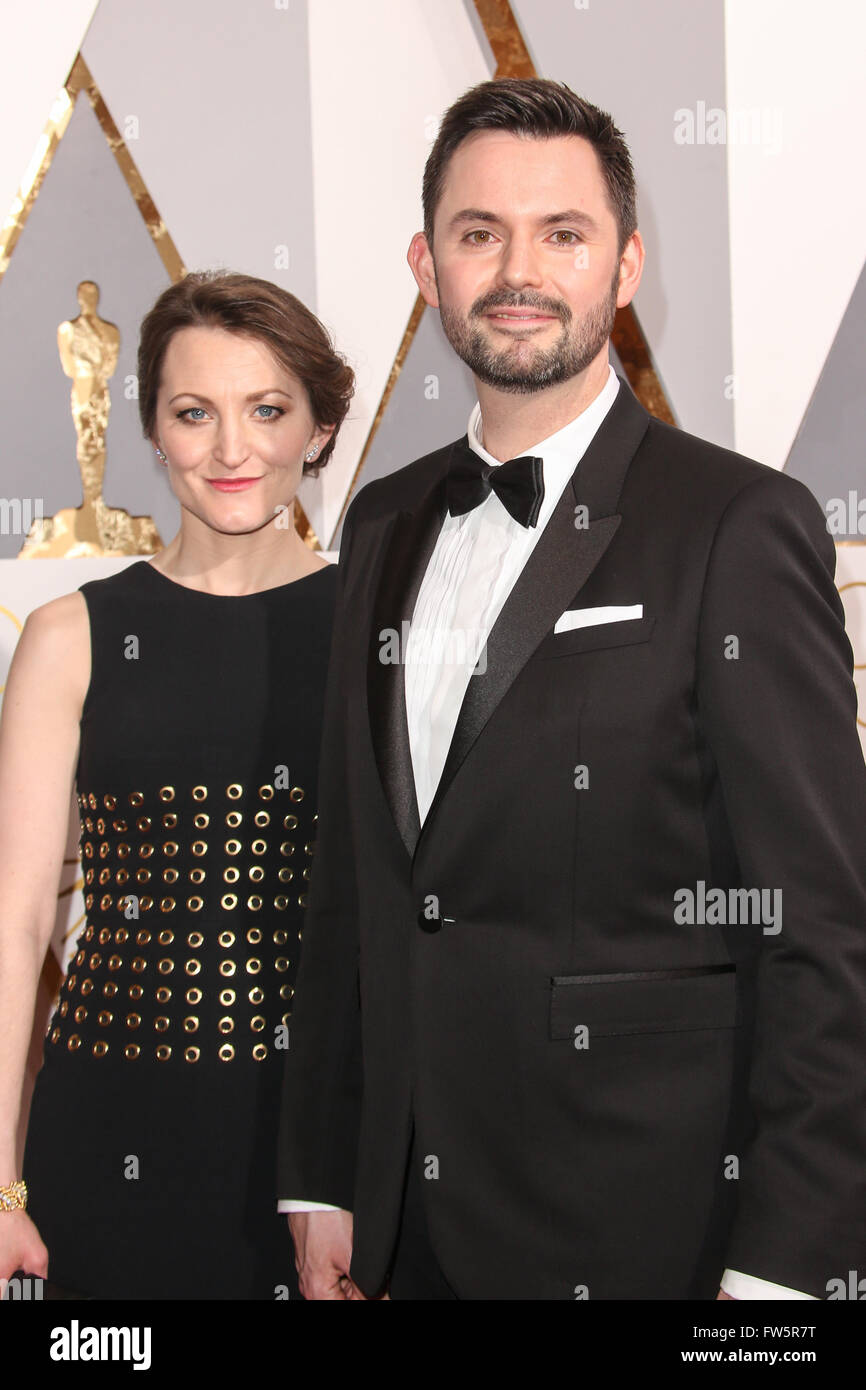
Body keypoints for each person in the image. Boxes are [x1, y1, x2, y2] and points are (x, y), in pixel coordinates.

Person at [277, 78, 866, 1301]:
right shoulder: (381, 520)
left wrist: (783, 1269)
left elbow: (816, 926)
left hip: (651, 1230)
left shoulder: (737, 525)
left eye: (562, 232)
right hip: (403, 1227)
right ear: (424, 263)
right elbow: (357, 879)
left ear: (626, 262)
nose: (516, 270)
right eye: (477, 232)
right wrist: (325, 1172)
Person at [0, 270, 353, 1298]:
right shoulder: (70, 635)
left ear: (321, 429)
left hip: (319, 1144)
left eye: (268, 410)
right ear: (152, 429)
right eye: (194, 413)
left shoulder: (374, 630)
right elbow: (17, 923)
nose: (231, 449)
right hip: (110, 1125)